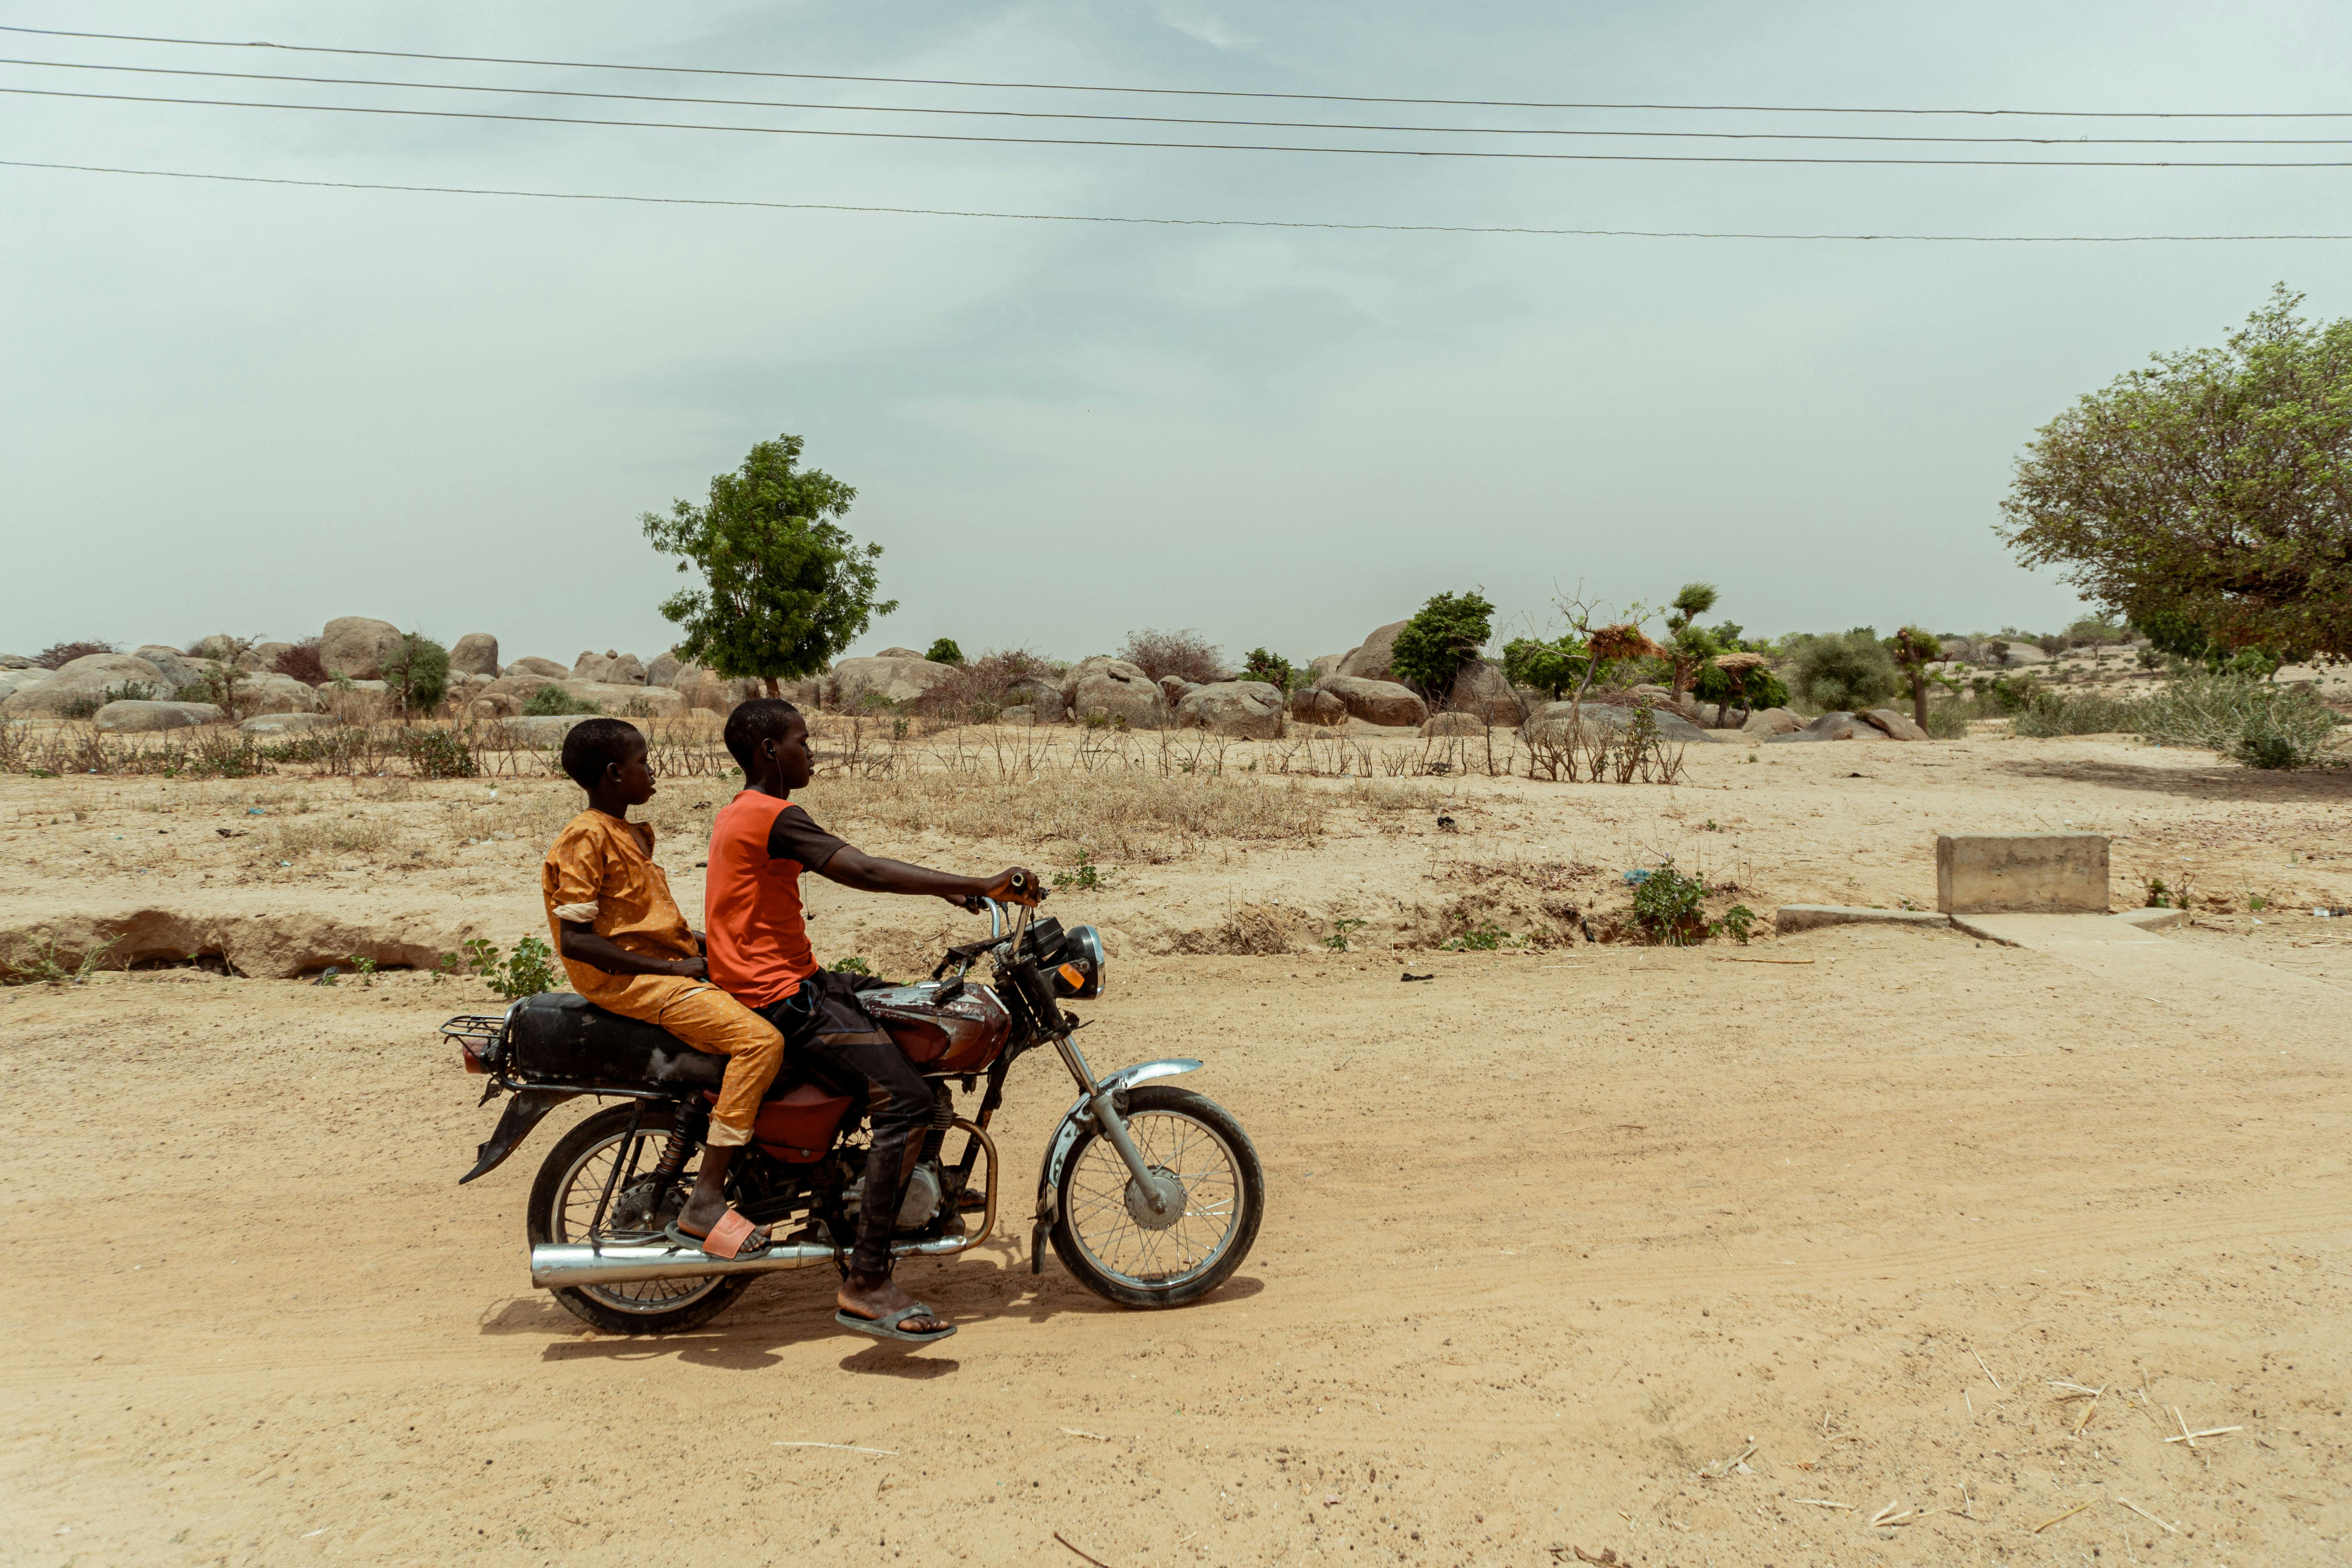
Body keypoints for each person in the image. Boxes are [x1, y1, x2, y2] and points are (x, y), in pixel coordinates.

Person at [705, 697, 1036, 1344]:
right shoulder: (770, 815)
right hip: (780, 996)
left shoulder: (744, 814)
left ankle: (918, 1186)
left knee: (913, 1014)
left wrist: (943, 887)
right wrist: (985, 880)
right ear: (770, 751)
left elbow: (861, 866)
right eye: (802, 741)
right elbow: (862, 869)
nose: (812, 752)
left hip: (794, 979)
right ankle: (867, 1282)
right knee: (904, 1102)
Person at [541, 718, 785, 1261]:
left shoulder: (627, 832)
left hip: (657, 968)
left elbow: (642, 923)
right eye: (643, 763)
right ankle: (706, 1200)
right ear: (613, 774)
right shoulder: (586, 836)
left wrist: (715, 948)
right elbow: (577, 941)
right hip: (632, 983)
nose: (653, 772)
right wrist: (674, 972)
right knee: (760, 1043)